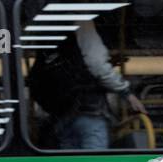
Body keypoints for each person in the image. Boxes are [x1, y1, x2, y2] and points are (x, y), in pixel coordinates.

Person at [31, 18, 146, 151]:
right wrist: (126, 93)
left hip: (61, 115)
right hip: (89, 110)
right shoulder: (80, 21)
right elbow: (97, 65)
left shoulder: (45, 27)